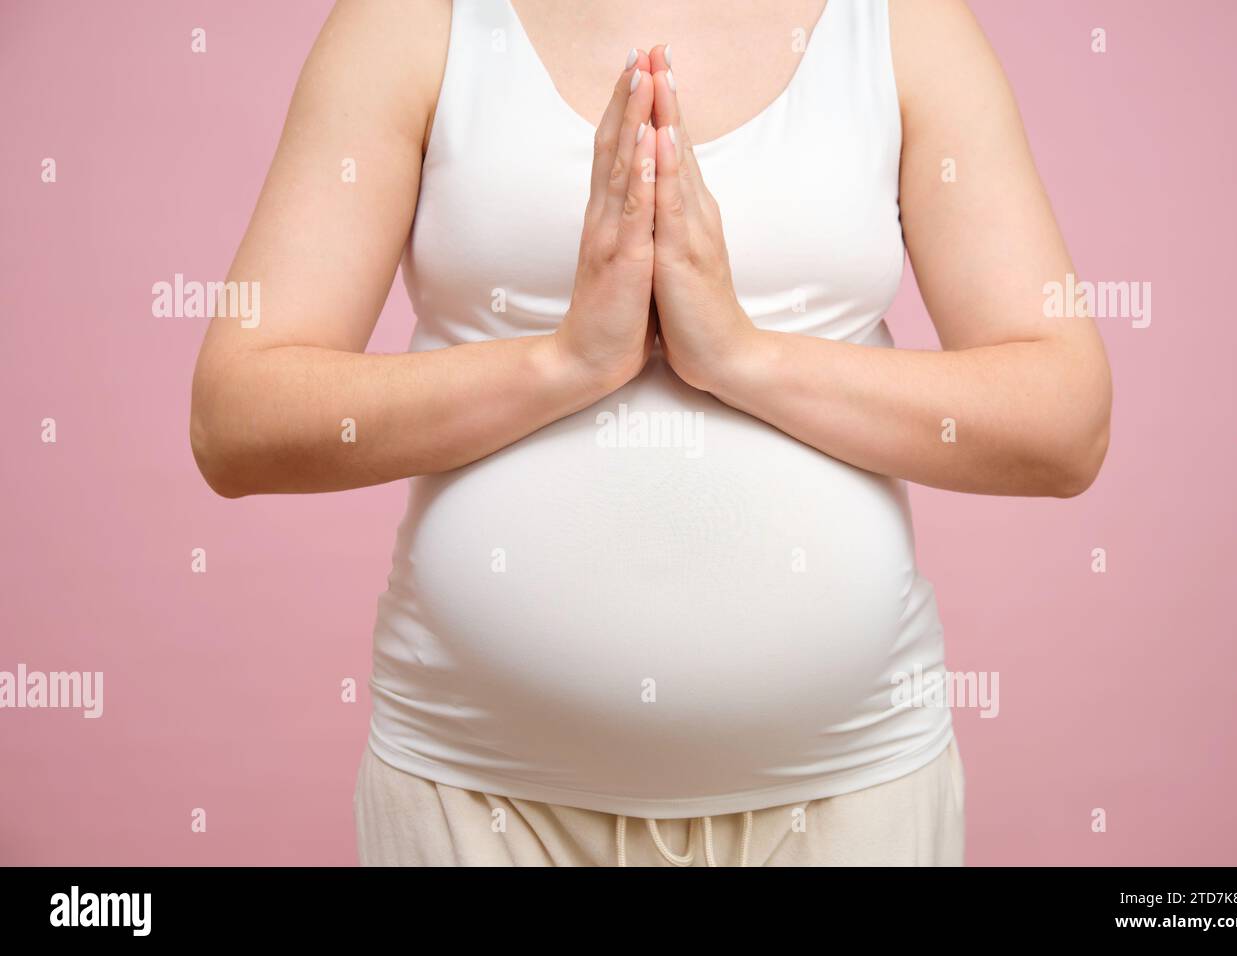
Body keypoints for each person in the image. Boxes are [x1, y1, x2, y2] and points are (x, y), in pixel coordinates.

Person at [190, 0, 1111, 866]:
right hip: (477, 806)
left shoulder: (899, 24)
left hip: (845, 798)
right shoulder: (416, 20)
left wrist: (744, 357)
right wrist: (565, 363)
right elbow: (239, 416)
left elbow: (1062, 419)